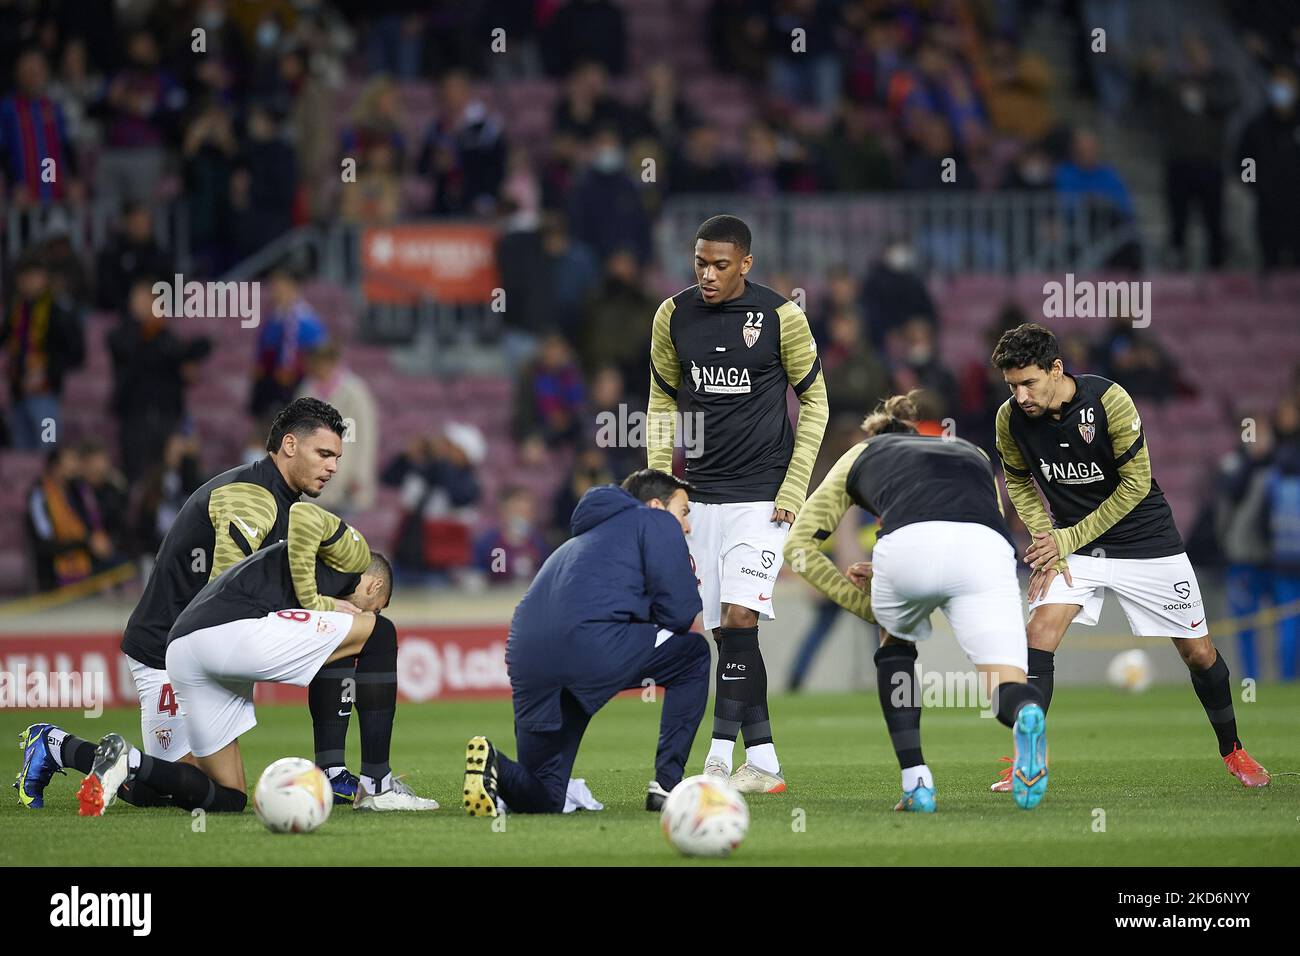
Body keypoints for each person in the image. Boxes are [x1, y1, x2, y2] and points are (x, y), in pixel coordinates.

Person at [14, 399, 366, 810]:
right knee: (163, 788)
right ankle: (55, 744)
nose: (333, 467)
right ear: (289, 445)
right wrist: (313, 614)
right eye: (323, 454)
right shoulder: (250, 497)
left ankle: (333, 771)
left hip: (203, 644)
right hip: (165, 649)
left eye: (337, 458)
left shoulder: (286, 504)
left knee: (219, 797)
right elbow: (226, 591)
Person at [990, 323, 1269, 790]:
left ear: (1056, 369)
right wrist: (1048, 538)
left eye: (1028, 383)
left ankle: (1234, 751)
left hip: (1147, 541)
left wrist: (1065, 537)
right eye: (1012, 386)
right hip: (1075, 546)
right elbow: (1018, 480)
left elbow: (1136, 485)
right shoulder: (1010, 419)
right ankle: (1028, 760)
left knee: (1199, 653)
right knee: (1037, 634)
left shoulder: (1109, 401)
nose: (1020, 396)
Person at [72, 503, 435, 815]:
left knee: (228, 797)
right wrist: (319, 602)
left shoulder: (293, 568)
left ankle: (126, 761)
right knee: (380, 632)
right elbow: (304, 512)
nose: (366, 611)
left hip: (183, 648)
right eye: (373, 604)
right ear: (374, 587)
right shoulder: (350, 556)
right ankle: (377, 786)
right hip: (224, 634)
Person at [785, 393, 1049, 811]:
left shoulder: (862, 452)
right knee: (1006, 683)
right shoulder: (970, 450)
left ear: (877, 434)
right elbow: (983, 519)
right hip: (987, 550)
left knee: (895, 647)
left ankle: (917, 783)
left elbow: (799, 546)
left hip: (907, 548)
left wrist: (866, 603)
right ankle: (1025, 713)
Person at [646, 214, 829, 793]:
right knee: (727, 635)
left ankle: (718, 762)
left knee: (739, 616)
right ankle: (766, 762)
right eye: (700, 262)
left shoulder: (781, 317)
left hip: (762, 499)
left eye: (720, 265)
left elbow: (817, 401)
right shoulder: (672, 315)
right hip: (699, 500)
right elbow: (659, 401)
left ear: (745, 264)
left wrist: (795, 485)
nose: (707, 274)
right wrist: (657, 484)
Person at [462, 470, 708, 816]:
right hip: (591, 646)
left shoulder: (577, 542)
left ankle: (495, 764)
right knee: (694, 654)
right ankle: (667, 786)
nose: (687, 526)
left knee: (546, 795)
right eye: (684, 512)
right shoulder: (655, 522)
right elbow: (681, 615)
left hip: (526, 657)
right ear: (656, 505)